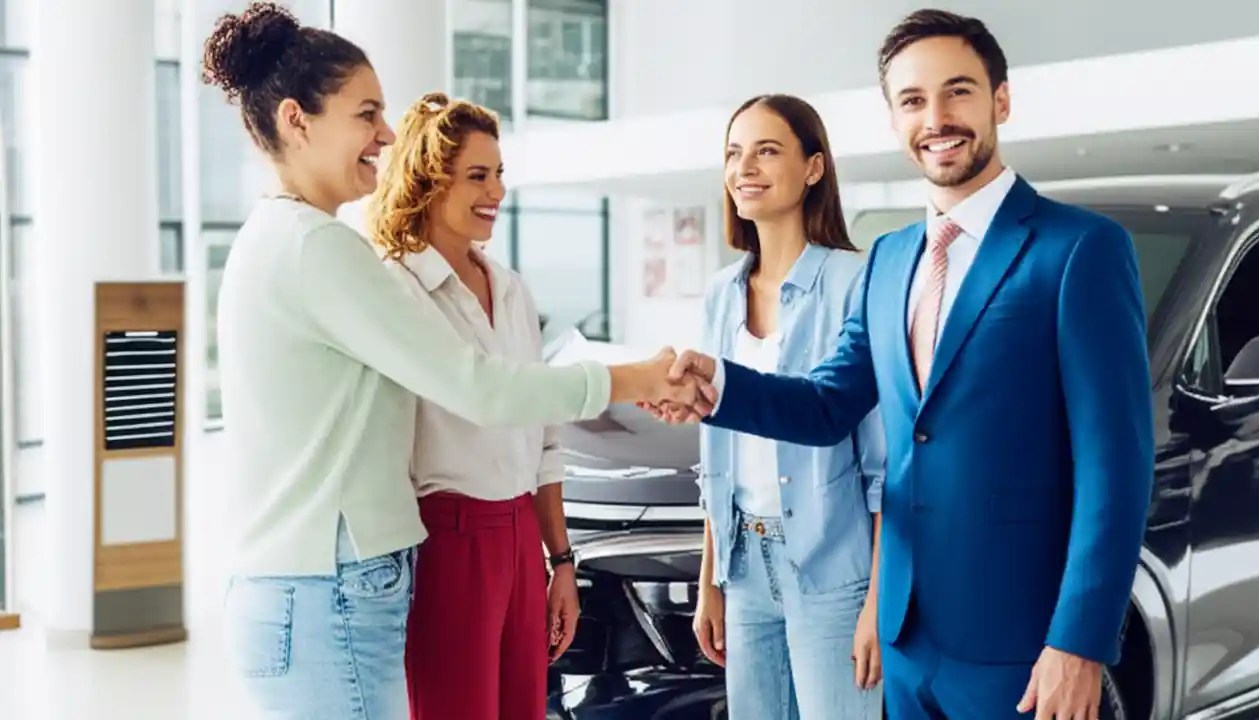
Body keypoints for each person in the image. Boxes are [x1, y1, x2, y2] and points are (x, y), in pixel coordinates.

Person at [202, 4, 694, 719]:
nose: (385, 133)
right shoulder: (320, 248)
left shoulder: (278, 239)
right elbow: (481, 389)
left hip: (307, 583)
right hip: (328, 583)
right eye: (365, 112)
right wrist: (638, 378)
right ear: (295, 120)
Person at [660, 9, 1154, 720]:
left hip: (1021, 646)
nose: (937, 118)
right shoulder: (889, 258)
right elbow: (829, 403)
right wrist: (719, 388)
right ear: (894, 119)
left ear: (1001, 101)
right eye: (913, 100)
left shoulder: (1079, 248)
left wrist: (1080, 643)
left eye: (958, 92)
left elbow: (1116, 466)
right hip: (906, 639)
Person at [365, 93, 575, 720]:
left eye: (500, 174)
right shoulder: (397, 287)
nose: (497, 191)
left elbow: (545, 440)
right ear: (430, 182)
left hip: (519, 536)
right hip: (446, 542)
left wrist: (558, 561)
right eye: (477, 176)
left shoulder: (510, 288)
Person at [686, 94, 886, 719]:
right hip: (744, 568)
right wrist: (710, 584)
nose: (745, 166)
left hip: (834, 573)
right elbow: (714, 455)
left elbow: (883, 466)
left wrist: (879, 605)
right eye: (733, 153)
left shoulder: (856, 282)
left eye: (767, 150)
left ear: (814, 168)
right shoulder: (721, 292)